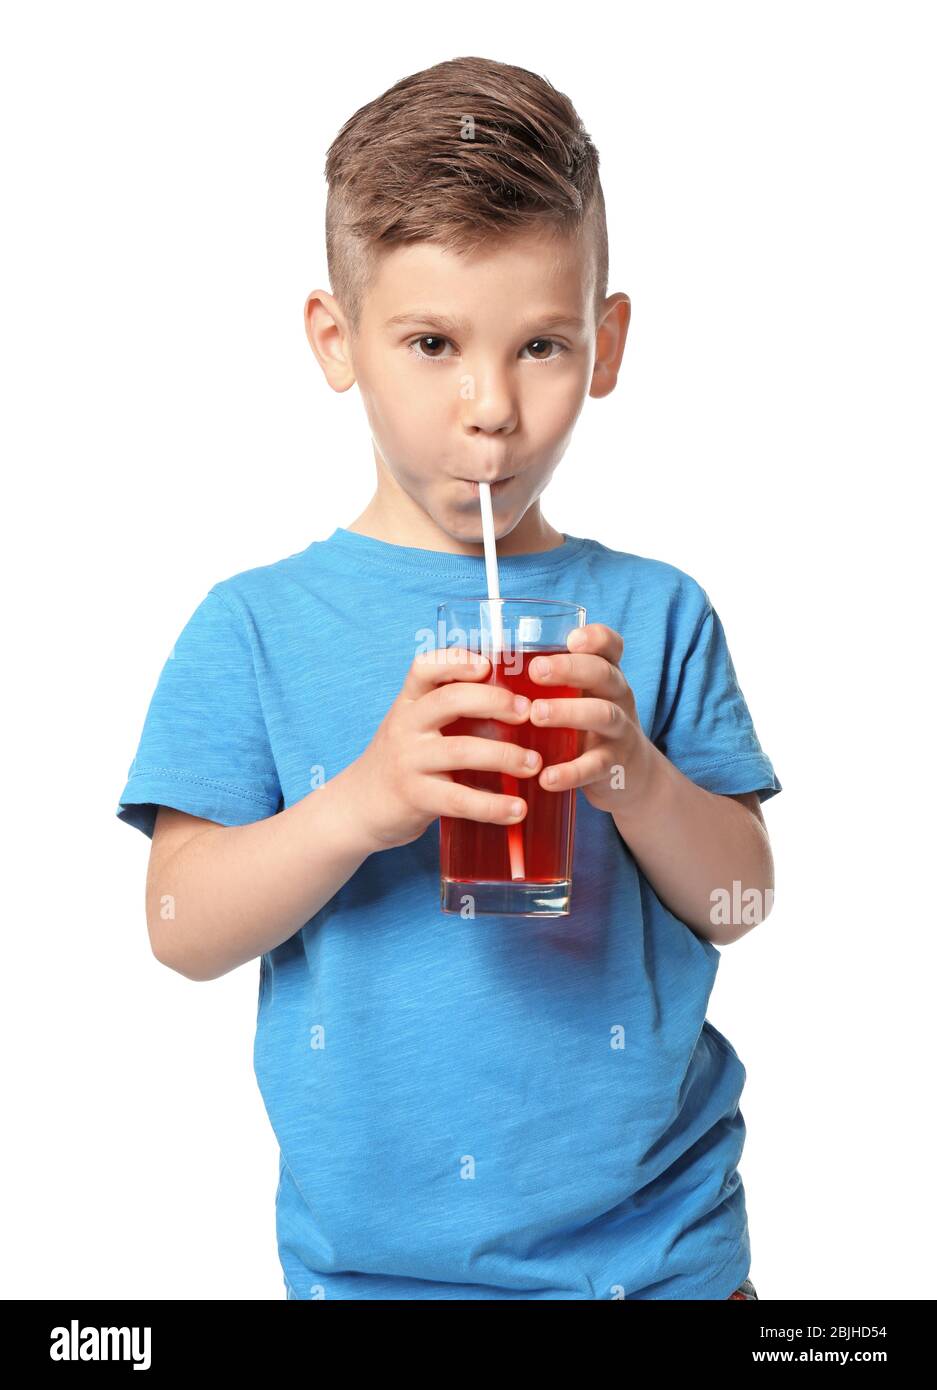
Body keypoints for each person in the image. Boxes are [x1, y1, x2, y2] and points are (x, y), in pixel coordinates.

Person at [116, 55, 780, 1300]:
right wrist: (361, 803)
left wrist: (637, 779)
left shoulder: (656, 614)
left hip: (665, 1261)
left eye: (540, 344)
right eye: (431, 342)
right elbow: (178, 932)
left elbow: (742, 903)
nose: (490, 408)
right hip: (381, 1279)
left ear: (608, 342)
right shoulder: (254, 628)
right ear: (335, 339)